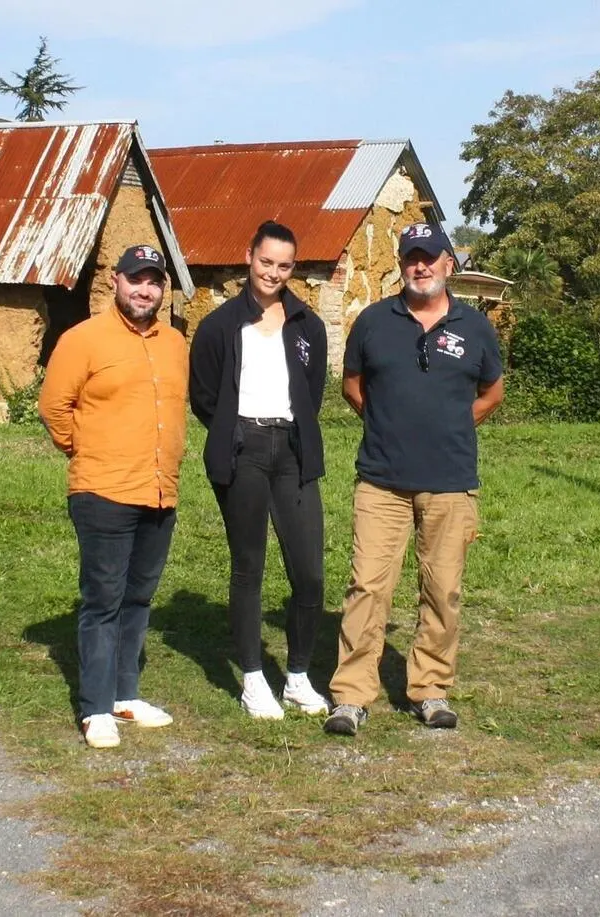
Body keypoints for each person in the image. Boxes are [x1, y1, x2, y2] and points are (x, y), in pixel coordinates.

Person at [324, 222, 504, 736]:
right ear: (400, 265)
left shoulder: (474, 327)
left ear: (450, 263)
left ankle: (430, 690)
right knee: (367, 587)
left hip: (450, 481)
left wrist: (450, 426)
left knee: (442, 589)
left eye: (429, 257)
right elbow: (352, 387)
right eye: (410, 258)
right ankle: (352, 696)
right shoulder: (374, 322)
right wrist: (389, 427)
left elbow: (492, 392)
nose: (420, 266)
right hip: (381, 481)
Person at [39, 244, 188, 749]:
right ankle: (95, 707)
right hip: (103, 489)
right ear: (115, 282)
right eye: (136, 280)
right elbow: (55, 407)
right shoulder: (83, 339)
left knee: (138, 596)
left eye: (154, 282)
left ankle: (126, 694)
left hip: (159, 489)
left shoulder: (173, 343)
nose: (145, 290)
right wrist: (91, 451)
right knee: (103, 599)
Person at [190, 221, 328, 719]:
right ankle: (252, 678)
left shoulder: (307, 325)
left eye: (284, 265)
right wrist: (237, 430)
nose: (273, 273)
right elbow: (204, 397)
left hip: (292, 451)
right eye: (266, 261)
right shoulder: (221, 325)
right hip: (242, 449)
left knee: (310, 574)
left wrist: (288, 432)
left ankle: (297, 675)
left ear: (294, 269)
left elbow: (312, 393)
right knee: (249, 566)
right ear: (249, 256)